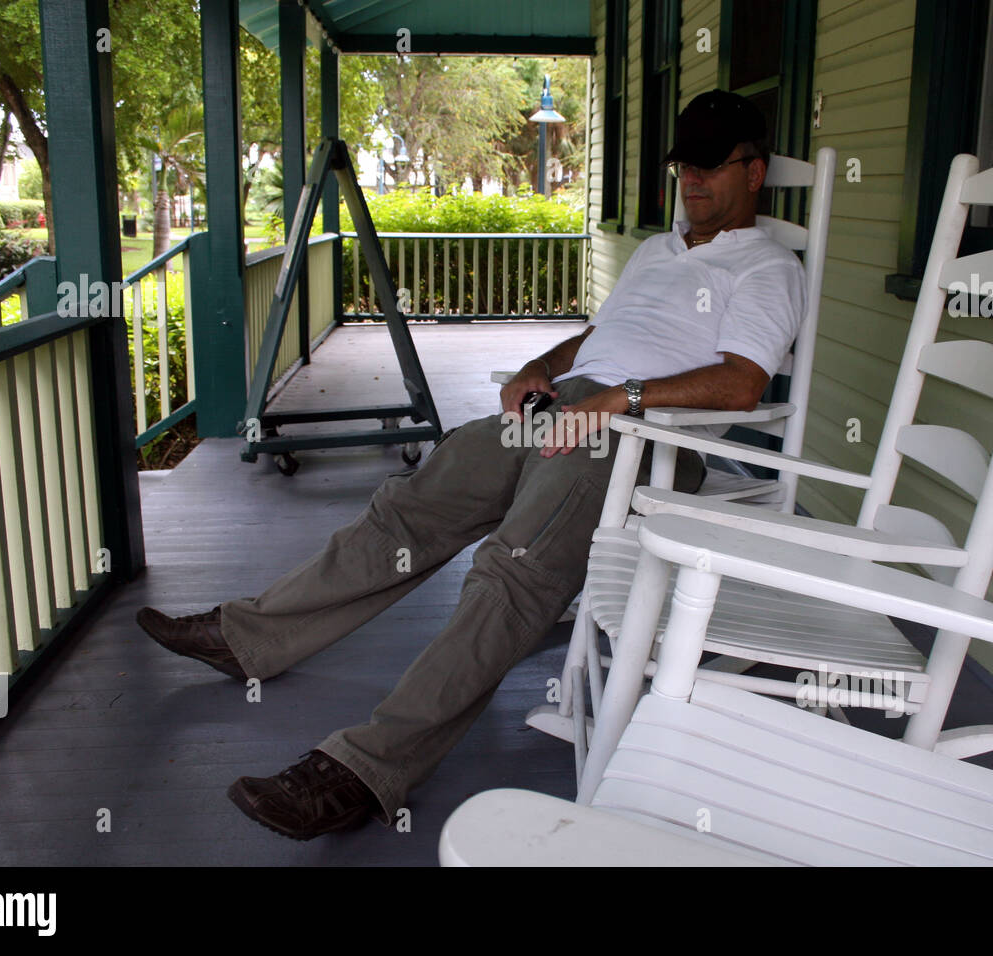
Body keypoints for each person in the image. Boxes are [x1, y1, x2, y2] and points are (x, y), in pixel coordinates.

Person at [136, 89, 806, 840]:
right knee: (409, 505)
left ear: (755, 171)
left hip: (642, 437)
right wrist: (536, 366)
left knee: (513, 571)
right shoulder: (657, 250)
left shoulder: (770, 266)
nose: (692, 181)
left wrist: (623, 399)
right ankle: (248, 637)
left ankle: (366, 767)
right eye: (686, 163)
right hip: (567, 408)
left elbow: (743, 381)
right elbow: (599, 338)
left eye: (712, 166)